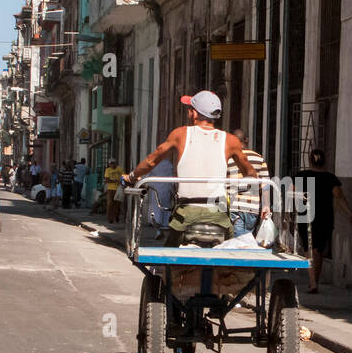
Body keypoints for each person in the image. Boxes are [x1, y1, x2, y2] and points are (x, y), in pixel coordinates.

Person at [123, 90, 260, 246]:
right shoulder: (231, 141)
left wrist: (131, 177)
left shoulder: (180, 134)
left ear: (194, 113)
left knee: (170, 255)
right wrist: (248, 180)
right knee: (226, 249)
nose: (188, 112)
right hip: (218, 215)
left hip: (186, 215)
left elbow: (151, 161)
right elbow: (249, 172)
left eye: (189, 109)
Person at [298, 149, 352, 293]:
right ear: (324, 161)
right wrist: (349, 213)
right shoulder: (330, 178)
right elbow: (339, 197)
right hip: (325, 217)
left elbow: (293, 195)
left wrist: (287, 215)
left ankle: (313, 283)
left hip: (306, 216)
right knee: (318, 251)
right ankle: (315, 281)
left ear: (310, 160)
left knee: (309, 250)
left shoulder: (301, 175)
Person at [227, 131, 270, 238]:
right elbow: (266, 184)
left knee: (240, 242)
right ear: (247, 140)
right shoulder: (259, 158)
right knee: (246, 239)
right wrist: (266, 206)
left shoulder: (229, 158)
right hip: (253, 208)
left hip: (235, 206)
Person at [104, 159, 124, 223]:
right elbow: (107, 180)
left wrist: (121, 181)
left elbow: (123, 177)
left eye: (113, 163)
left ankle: (116, 216)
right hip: (110, 189)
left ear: (116, 163)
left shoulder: (119, 169)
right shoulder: (108, 170)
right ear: (109, 164)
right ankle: (110, 218)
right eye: (111, 163)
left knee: (118, 204)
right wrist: (115, 181)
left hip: (118, 189)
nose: (112, 165)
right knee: (110, 204)